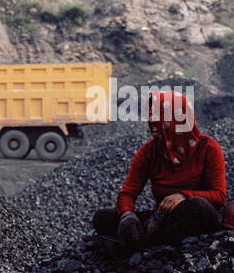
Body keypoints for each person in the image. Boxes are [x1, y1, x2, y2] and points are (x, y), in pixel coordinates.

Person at [92, 88, 226, 254]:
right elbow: (128, 192)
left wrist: (183, 196)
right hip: (160, 218)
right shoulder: (148, 152)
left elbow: (219, 196)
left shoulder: (208, 148)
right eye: (151, 117)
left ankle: (140, 244)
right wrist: (127, 215)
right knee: (103, 217)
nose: (152, 123)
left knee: (198, 206)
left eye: (158, 118)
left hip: (192, 215)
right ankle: (148, 240)